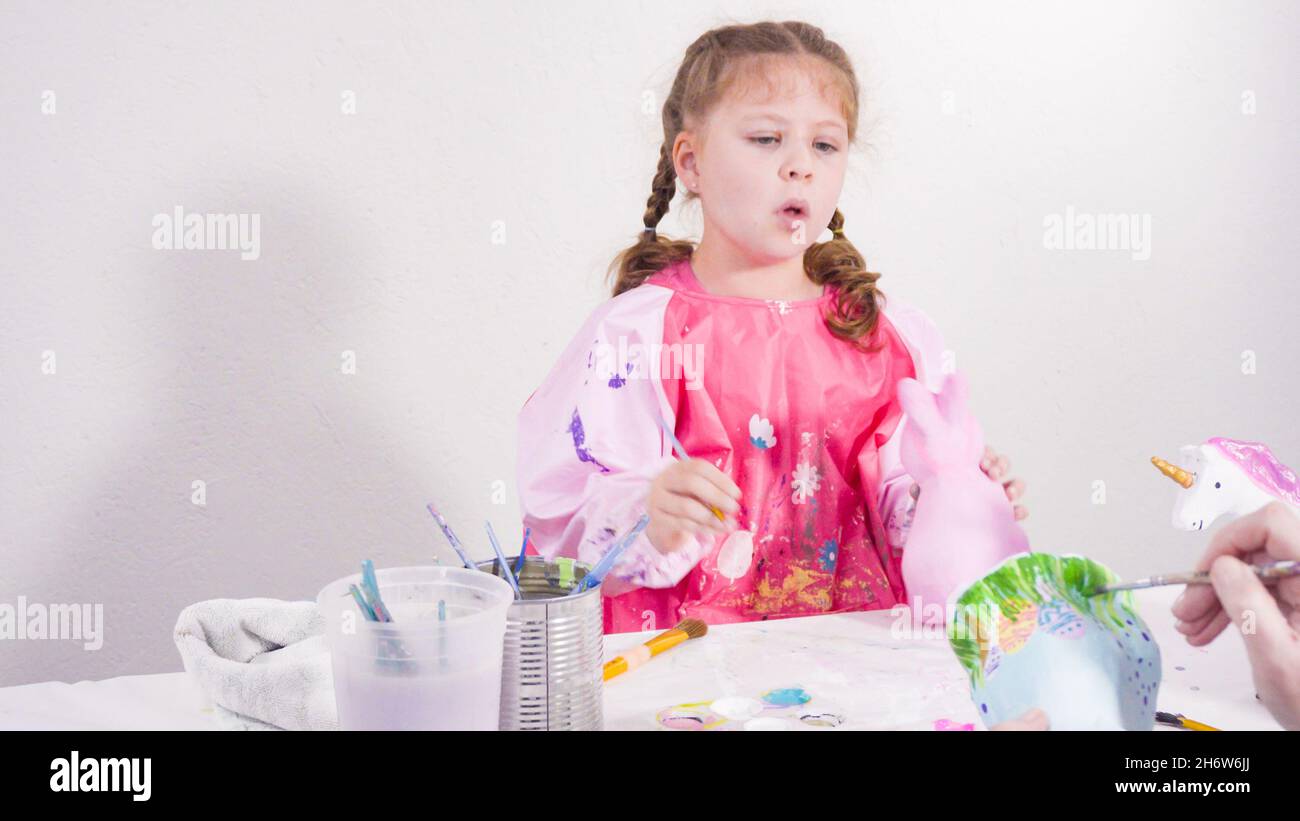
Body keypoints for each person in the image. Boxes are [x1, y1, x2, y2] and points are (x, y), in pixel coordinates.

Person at [516, 21, 1025, 633]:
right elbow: (558, 509)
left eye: (825, 146)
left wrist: (955, 497)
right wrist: (643, 510)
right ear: (691, 162)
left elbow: (904, 499)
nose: (799, 167)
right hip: (686, 668)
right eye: (765, 138)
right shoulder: (639, 334)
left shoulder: (883, 336)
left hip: (855, 666)